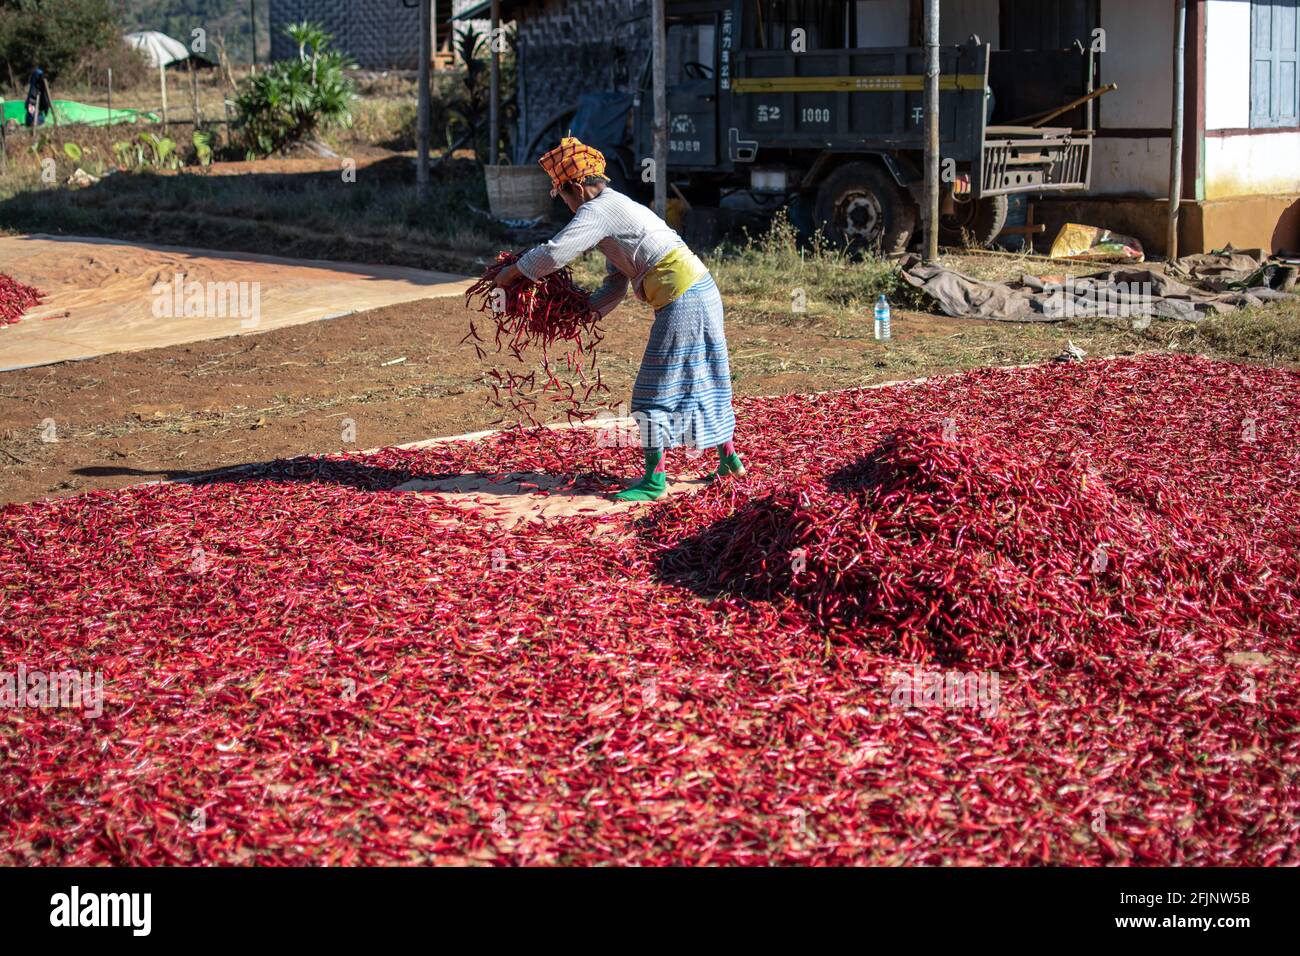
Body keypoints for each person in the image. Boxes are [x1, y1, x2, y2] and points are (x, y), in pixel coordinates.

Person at [493, 137, 744, 501]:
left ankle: (655, 482)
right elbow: (616, 282)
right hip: (699, 289)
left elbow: (556, 252)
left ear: (576, 188)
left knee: (651, 392)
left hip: (683, 298)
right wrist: (583, 312)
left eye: (563, 196)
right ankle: (730, 461)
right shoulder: (618, 207)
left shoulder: (597, 211)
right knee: (704, 379)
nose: (566, 206)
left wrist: (515, 272)